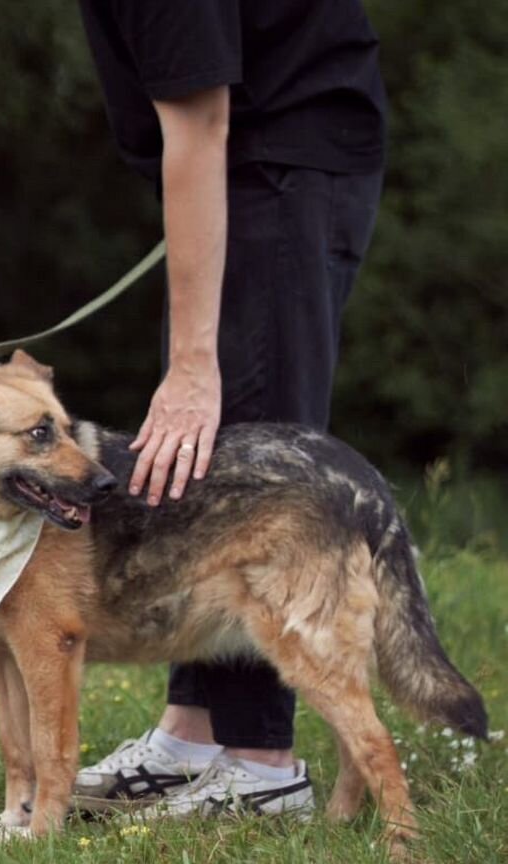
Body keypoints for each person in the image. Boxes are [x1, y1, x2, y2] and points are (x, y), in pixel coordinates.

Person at [73, 0, 387, 817]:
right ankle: (194, 735)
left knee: (252, 475)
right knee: (199, 461)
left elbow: (201, 122)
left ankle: (261, 765)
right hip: (248, 160)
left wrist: (190, 365)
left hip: (278, 165)